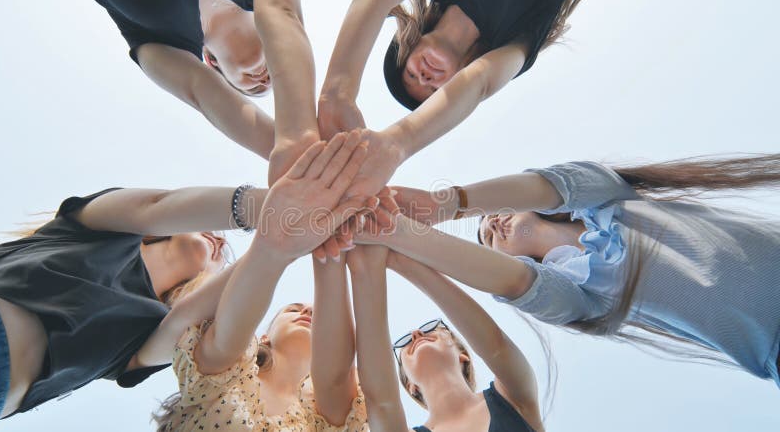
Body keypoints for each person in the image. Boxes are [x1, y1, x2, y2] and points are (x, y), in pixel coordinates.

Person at [0, 133, 366, 430]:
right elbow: (157, 207)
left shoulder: (147, 335)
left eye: (222, 256)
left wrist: (289, 237)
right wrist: (286, 209)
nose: (220, 242)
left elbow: (187, 317)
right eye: (213, 233)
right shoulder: (89, 229)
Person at [364, 154, 780, 388]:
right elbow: (513, 282)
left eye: (492, 216)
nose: (491, 224)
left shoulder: (610, 197)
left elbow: (549, 186)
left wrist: (448, 205)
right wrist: (397, 234)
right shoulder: (586, 298)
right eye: (489, 239)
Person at [151, 132, 372, 431]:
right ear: (264, 338)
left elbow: (336, 379)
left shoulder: (326, 418)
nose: (308, 311)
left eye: (312, 313)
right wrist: (317, 226)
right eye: (293, 309)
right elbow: (226, 338)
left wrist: (333, 229)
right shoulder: (223, 374)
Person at [317, 0, 603, 197]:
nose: (424, 78)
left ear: (410, 46)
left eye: (411, 75)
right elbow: (480, 82)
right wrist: (397, 144)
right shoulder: (516, 41)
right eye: (431, 91)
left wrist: (337, 92)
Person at [81, 0, 322, 188]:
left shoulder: (159, 45)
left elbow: (204, 93)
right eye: (275, 75)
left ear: (212, 63)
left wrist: (305, 164)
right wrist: (307, 143)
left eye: (254, 90)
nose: (265, 81)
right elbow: (282, 12)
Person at [347, 242, 544, 432]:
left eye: (433, 329)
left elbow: (496, 347)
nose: (416, 334)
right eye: (405, 343)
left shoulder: (512, 399)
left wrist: (398, 259)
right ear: (411, 386)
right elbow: (382, 403)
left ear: (462, 355)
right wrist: (366, 266)